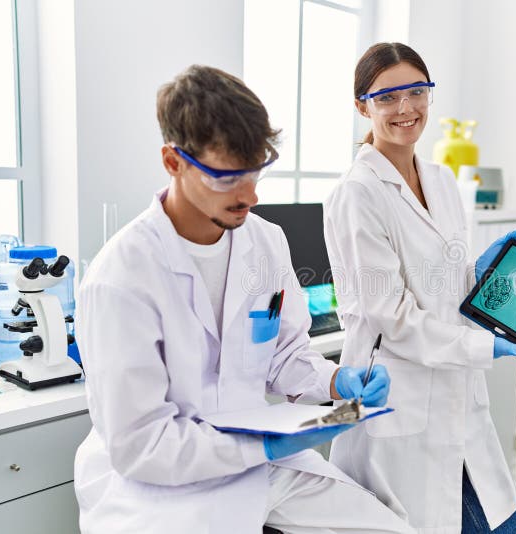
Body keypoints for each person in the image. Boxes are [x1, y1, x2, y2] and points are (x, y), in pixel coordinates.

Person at [73, 65, 413, 534]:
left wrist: (338, 381)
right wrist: (261, 446)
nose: (249, 195)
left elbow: (285, 356)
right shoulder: (121, 277)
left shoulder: (266, 242)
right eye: (227, 176)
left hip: (263, 467)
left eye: (255, 171)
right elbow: (142, 446)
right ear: (173, 161)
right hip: (162, 486)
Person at [324, 43, 516, 533]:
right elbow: (391, 316)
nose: (406, 107)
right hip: (402, 413)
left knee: (505, 523)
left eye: (417, 91)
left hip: (459, 403)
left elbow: (444, 283)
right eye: (387, 97)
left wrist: (480, 274)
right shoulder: (357, 193)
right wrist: (484, 345)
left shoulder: (442, 180)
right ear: (362, 106)